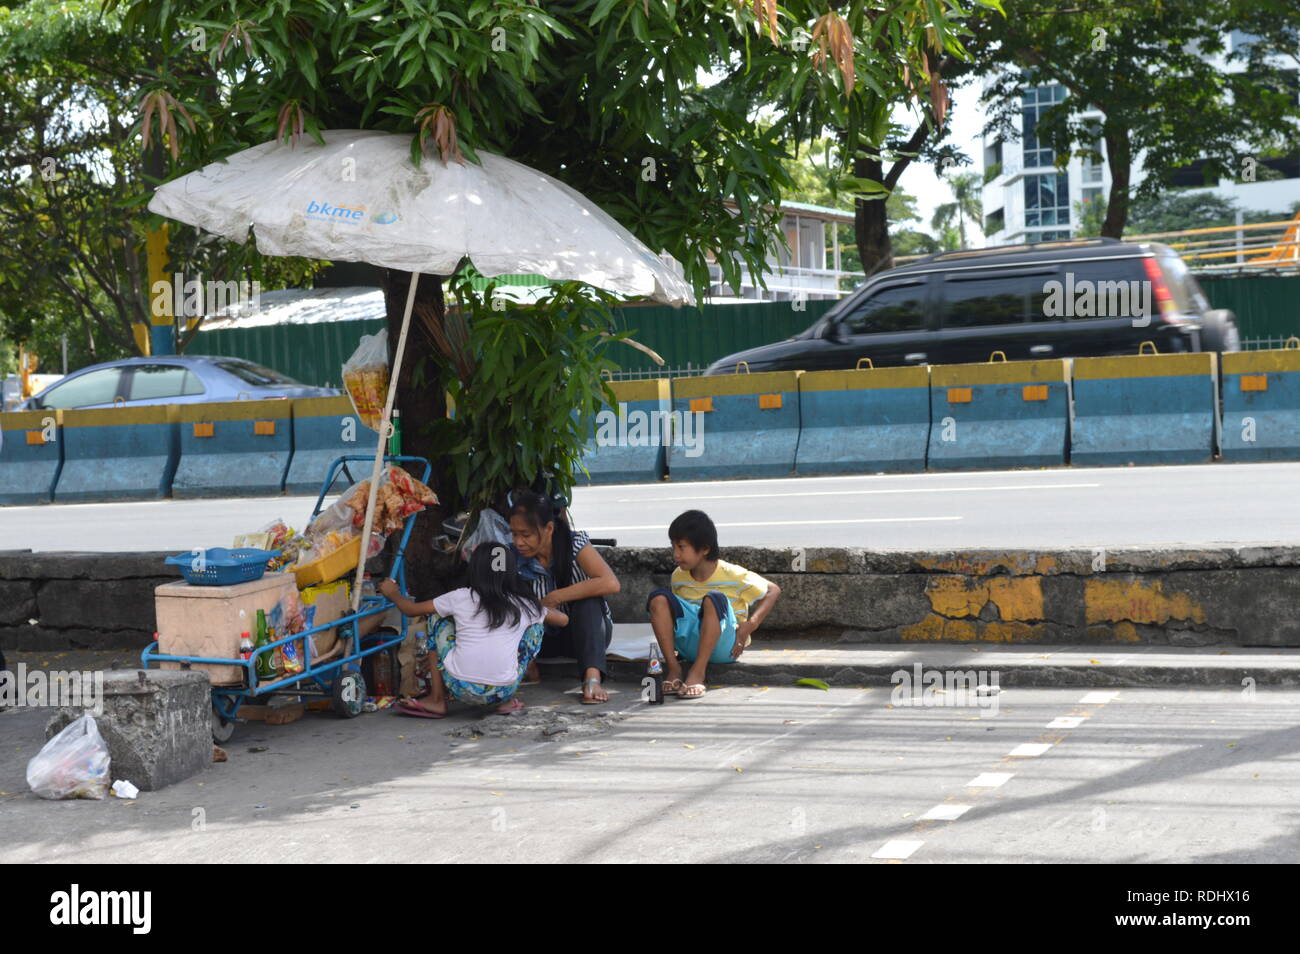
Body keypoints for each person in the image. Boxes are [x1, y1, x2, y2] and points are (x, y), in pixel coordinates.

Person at [378, 543, 567, 718]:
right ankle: (508, 701)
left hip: (459, 686)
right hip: (502, 691)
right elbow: (563, 620)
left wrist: (392, 593)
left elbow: (411, 610)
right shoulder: (523, 604)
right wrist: (537, 607)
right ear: (511, 572)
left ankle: (437, 699)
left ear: (475, 570)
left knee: (436, 618)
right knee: (535, 626)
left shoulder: (460, 597)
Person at [646, 509, 781, 699]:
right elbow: (679, 614)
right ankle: (674, 669)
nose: (675, 554)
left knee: (713, 599)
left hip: (725, 647)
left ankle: (697, 672)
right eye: (673, 547)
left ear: (705, 549)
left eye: (681, 547)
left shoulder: (733, 574)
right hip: (690, 646)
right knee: (659, 598)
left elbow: (773, 590)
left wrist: (750, 626)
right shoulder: (678, 576)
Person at [508, 488, 621, 704]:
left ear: (549, 528)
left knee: (589, 599)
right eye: (514, 534)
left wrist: (556, 597)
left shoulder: (575, 542)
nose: (518, 542)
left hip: (584, 635)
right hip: (540, 640)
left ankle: (592, 679)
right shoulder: (508, 556)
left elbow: (610, 582)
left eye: (526, 535)